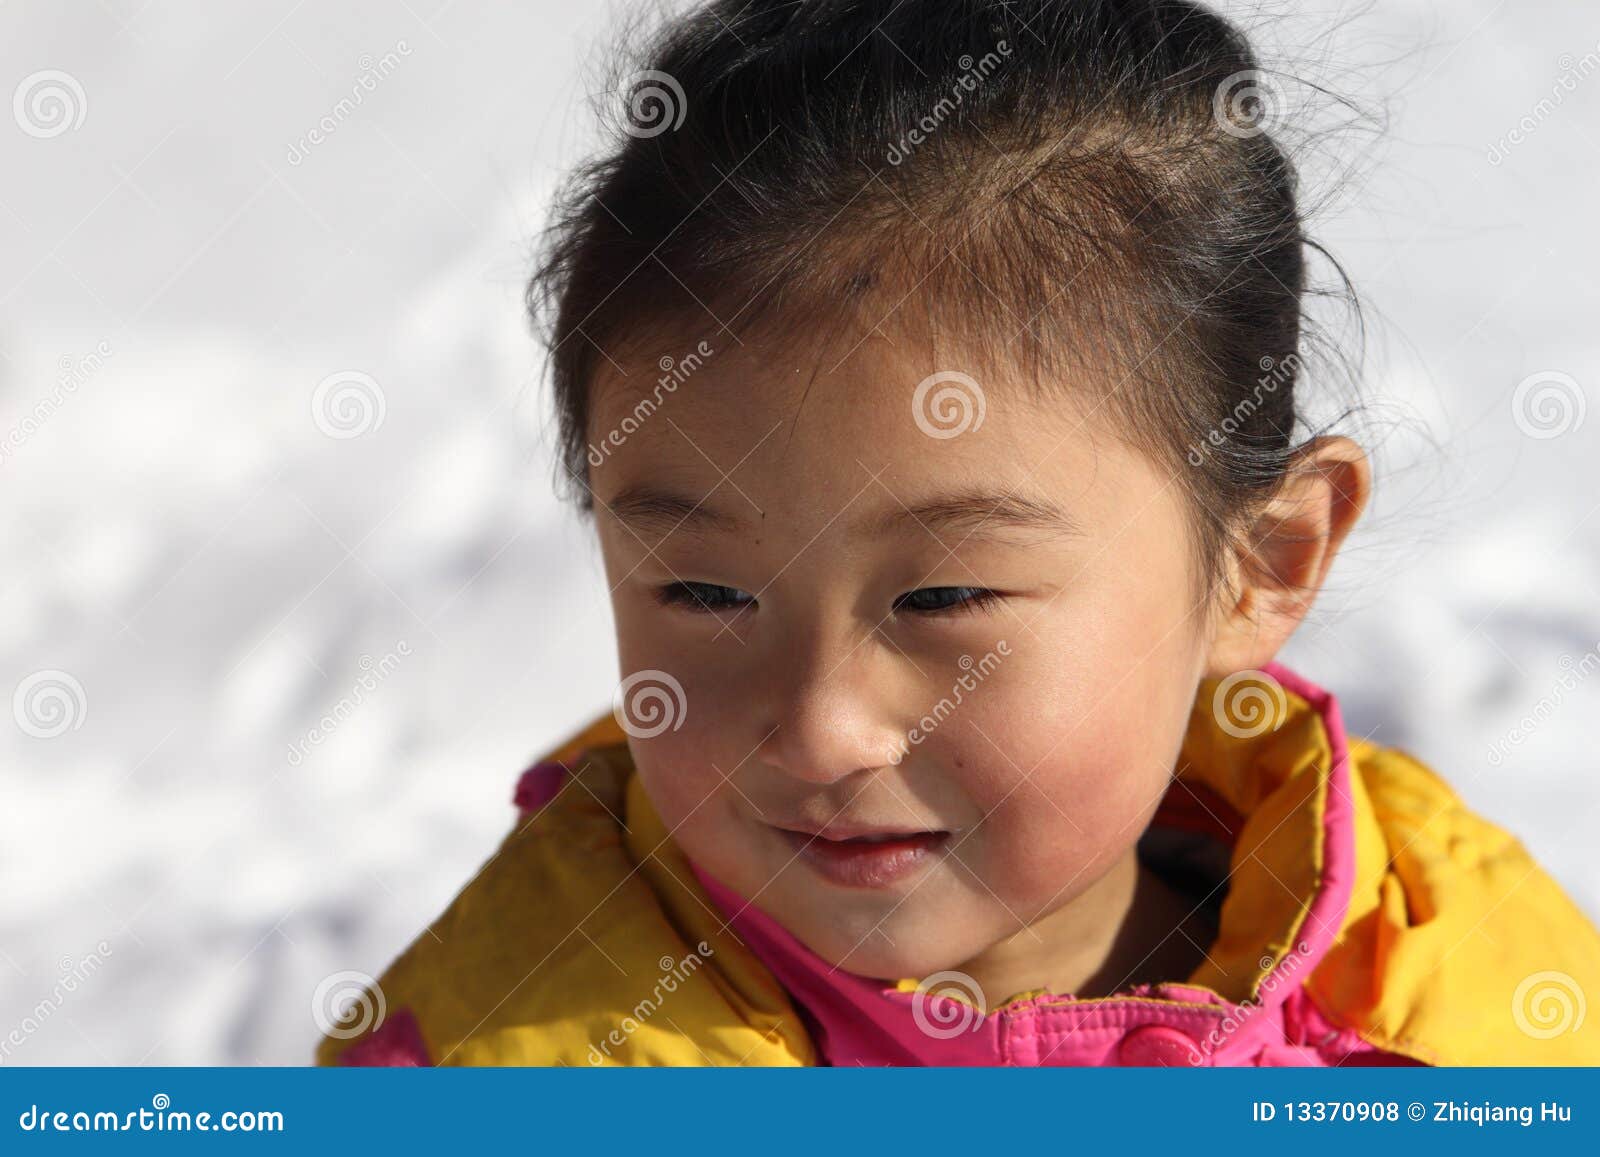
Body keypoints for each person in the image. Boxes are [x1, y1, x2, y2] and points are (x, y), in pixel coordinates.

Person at [315, 0, 1600, 1066]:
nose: (821, 728)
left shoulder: (1468, 1000)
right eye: (703, 591)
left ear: (1260, 562)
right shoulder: (500, 1070)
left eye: (939, 601)